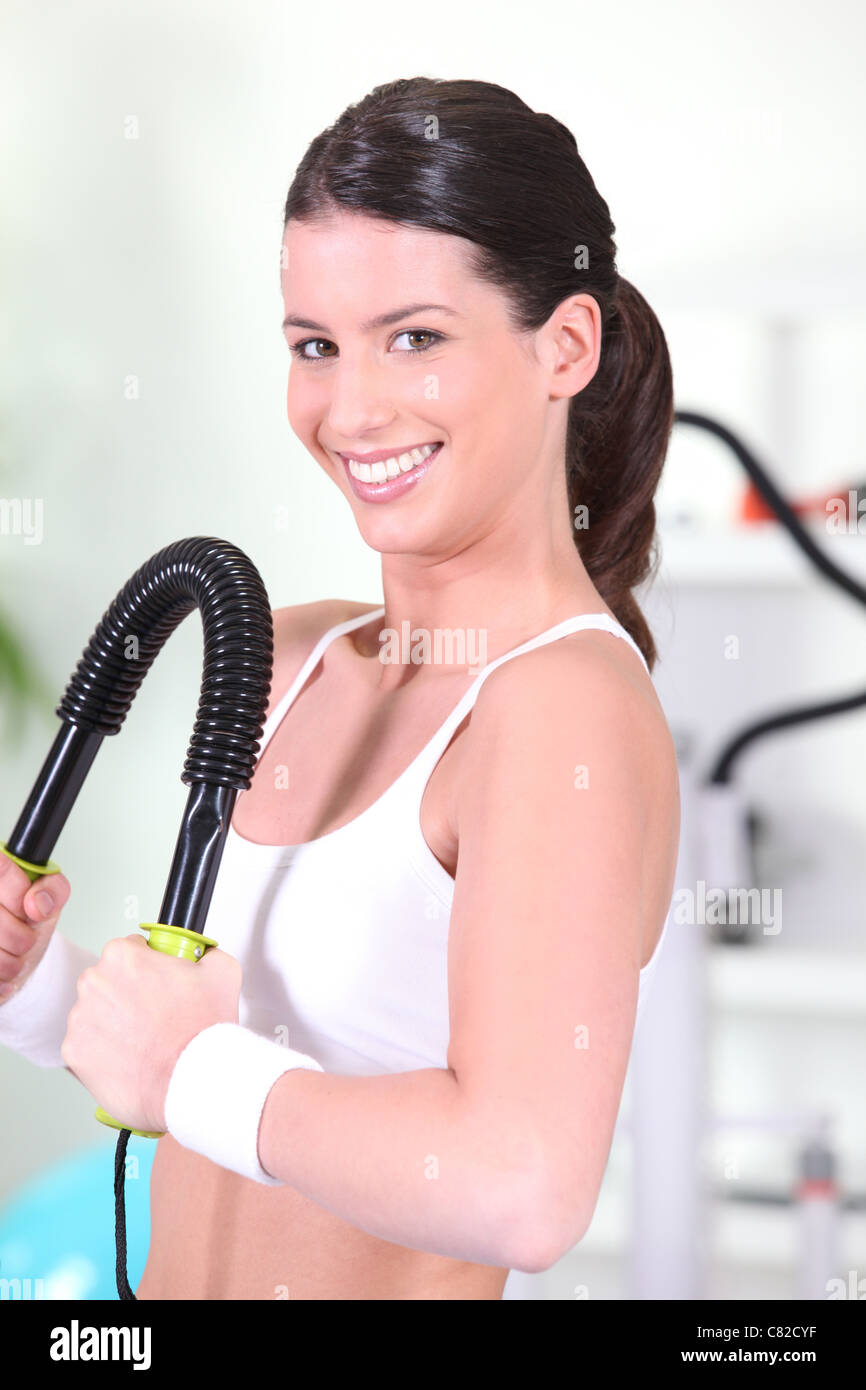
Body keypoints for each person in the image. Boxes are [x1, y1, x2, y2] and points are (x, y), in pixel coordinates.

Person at [0, 75, 680, 1300]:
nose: (350, 406)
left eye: (413, 336)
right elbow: (221, 1076)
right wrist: (39, 992)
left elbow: (522, 1183)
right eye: (314, 345)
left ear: (561, 345)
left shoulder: (558, 708)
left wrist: (191, 1068)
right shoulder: (287, 655)